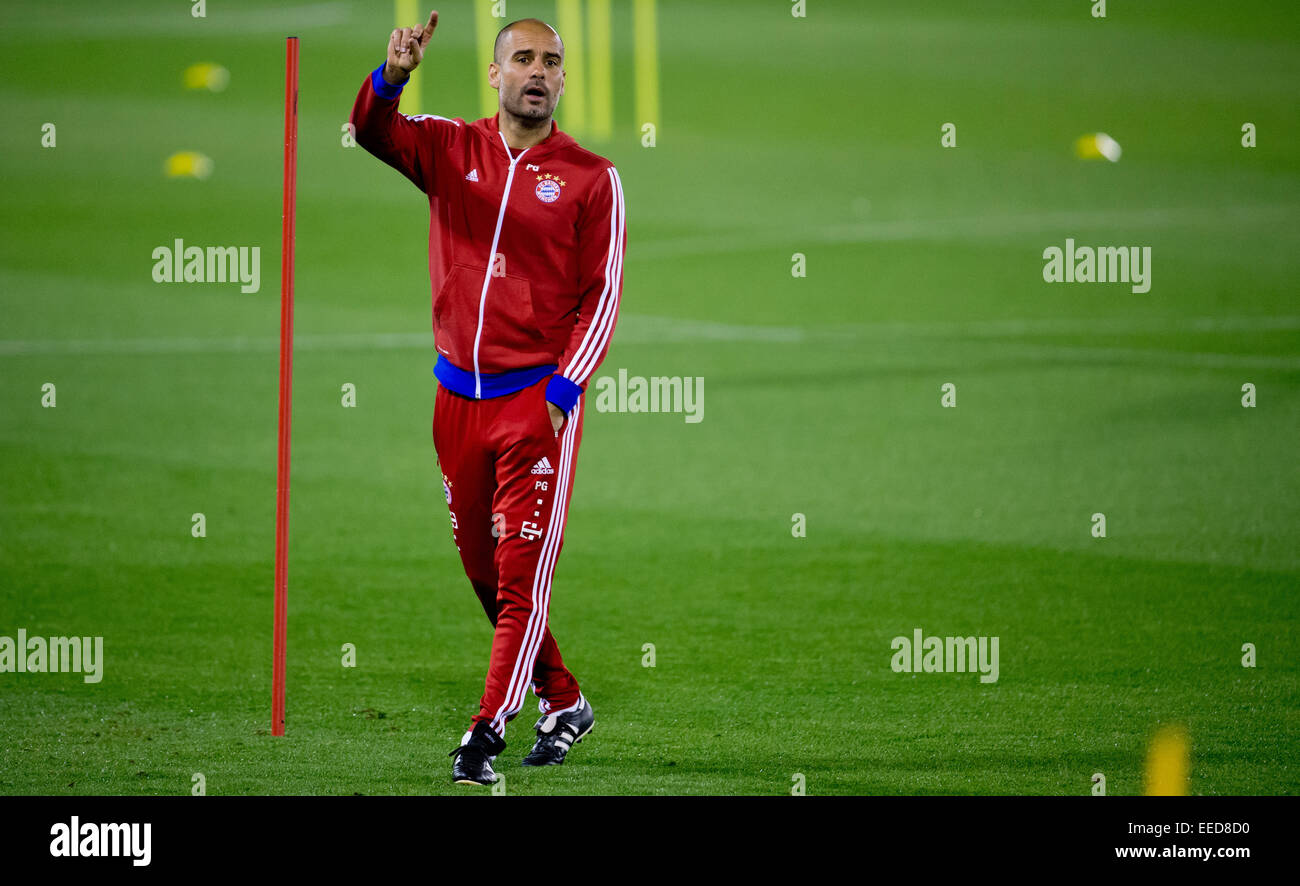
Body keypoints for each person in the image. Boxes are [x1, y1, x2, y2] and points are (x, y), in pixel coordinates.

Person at [350, 10, 626, 785]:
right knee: (481, 568)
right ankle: (564, 700)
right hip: (453, 404)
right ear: (496, 74)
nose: (539, 72)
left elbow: (602, 298)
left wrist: (564, 391)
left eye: (553, 62)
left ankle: (484, 733)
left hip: (533, 403)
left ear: (564, 80)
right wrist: (392, 76)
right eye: (525, 59)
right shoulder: (447, 147)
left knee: (519, 577)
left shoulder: (593, 178)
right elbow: (373, 131)